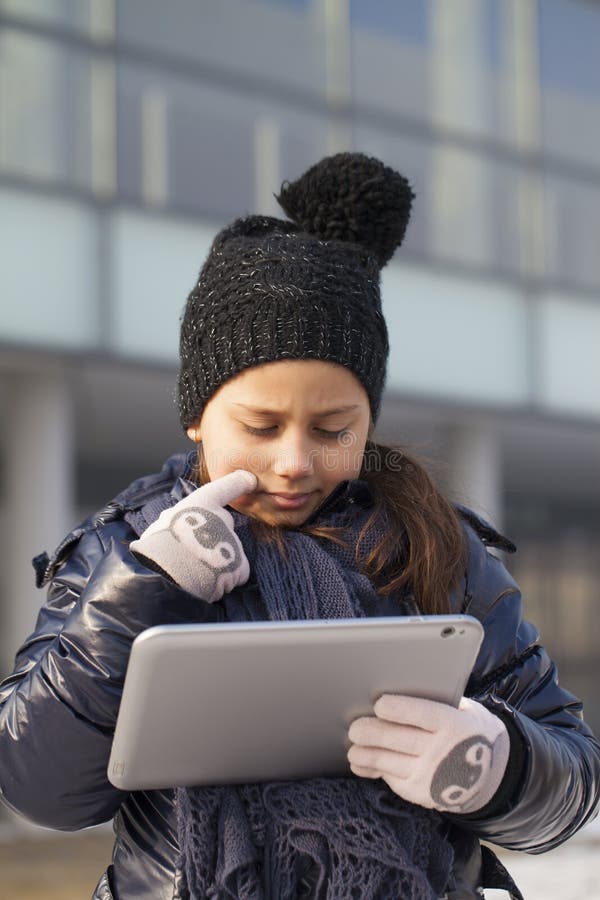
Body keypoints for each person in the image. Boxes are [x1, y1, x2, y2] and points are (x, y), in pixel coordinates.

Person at [0, 152, 598, 900]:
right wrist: (144, 590)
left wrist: (498, 763)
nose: (293, 462)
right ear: (196, 413)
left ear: (369, 421)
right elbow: (41, 791)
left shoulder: (438, 549)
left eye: (332, 428)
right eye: (261, 423)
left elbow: (572, 780)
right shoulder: (123, 550)